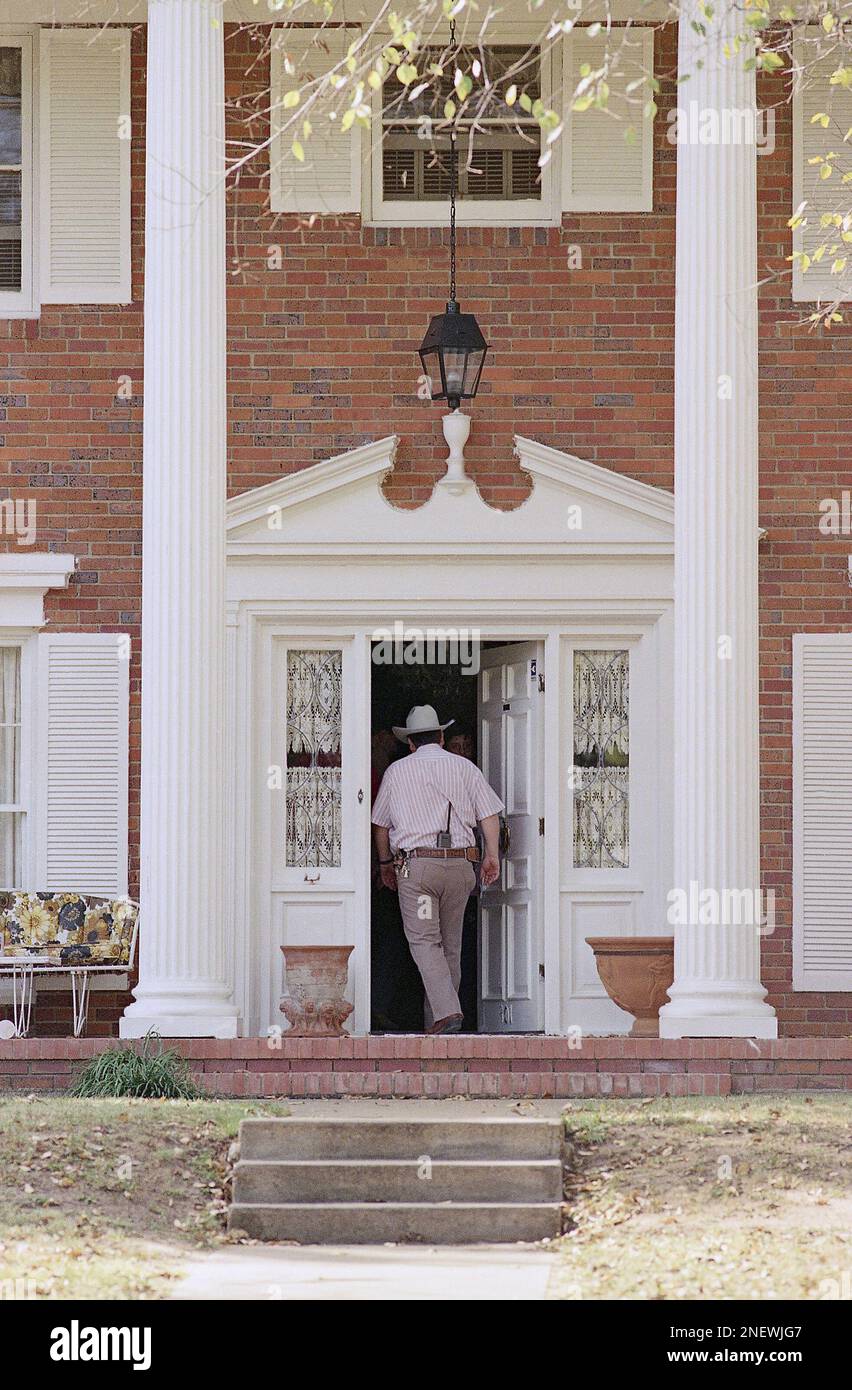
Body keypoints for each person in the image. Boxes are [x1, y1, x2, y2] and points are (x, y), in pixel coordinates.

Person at [371, 704, 503, 1035]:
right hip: (460, 866)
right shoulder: (465, 768)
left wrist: (385, 864)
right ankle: (440, 1021)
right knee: (450, 946)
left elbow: (381, 826)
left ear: (410, 743)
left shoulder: (397, 772)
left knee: (425, 942)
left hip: (419, 870)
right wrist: (492, 856)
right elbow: (489, 815)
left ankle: (447, 1012)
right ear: (442, 737)